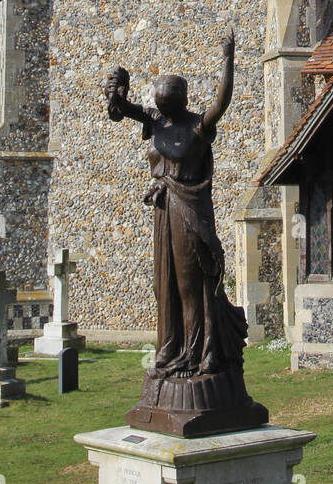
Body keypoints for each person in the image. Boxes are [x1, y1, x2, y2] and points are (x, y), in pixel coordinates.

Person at [105, 30, 247, 379]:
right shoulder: (155, 121)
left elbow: (222, 102)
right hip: (163, 214)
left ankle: (197, 353)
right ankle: (169, 351)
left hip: (189, 216)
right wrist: (115, 86)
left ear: (179, 98)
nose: (157, 98)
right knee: (165, 284)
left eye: (163, 93)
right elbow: (120, 110)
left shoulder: (198, 126)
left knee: (189, 284)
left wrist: (228, 58)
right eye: (156, 94)